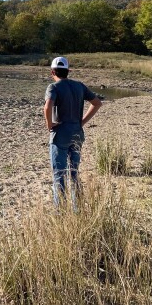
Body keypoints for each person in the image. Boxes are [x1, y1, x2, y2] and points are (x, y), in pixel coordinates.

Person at [43, 56, 102, 209]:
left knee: (59, 174)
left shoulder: (53, 87)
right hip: (77, 134)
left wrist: (50, 125)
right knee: (74, 173)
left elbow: (48, 107)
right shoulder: (79, 86)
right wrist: (81, 122)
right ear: (68, 71)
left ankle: (60, 212)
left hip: (60, 135)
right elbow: (97, 103)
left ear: (52, 72)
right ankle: (78, 209)